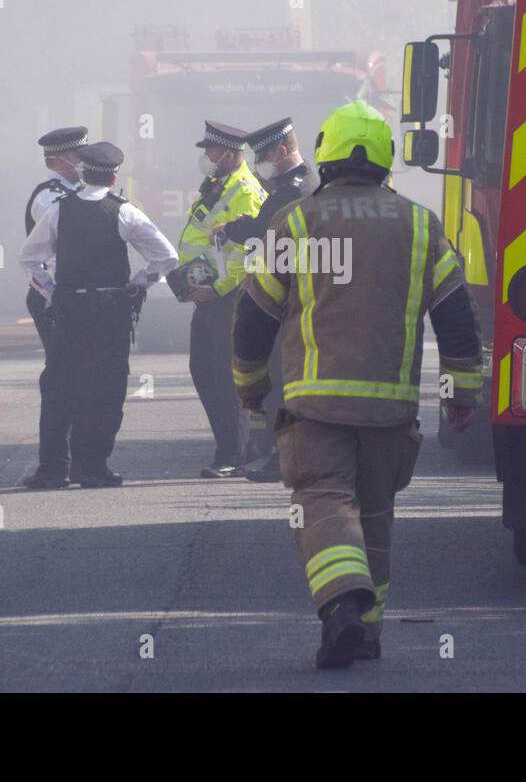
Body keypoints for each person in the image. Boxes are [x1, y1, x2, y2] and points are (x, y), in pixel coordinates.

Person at [231, 101, 482, 669]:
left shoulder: (295, 222)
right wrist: (462, 395)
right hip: (390, 414)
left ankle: (342, 605)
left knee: (323, 504)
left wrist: (249, 384)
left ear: (327, 155)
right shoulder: (420, 225)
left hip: (316, 409)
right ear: (385, 158)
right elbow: (457, 316)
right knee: (373, 519)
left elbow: (254, 318)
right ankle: (366, 635)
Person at [18, 141, 177, 489]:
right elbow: (166, 257)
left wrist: (51, 292)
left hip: (70, 311)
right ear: (114, 176)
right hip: (111, 312)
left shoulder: (59, 210)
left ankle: (53, 469)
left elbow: (29, 259)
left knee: (60, 387)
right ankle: (92, 467)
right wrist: (137, 286)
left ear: (82, 172)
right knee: (106, 388)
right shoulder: (124, 211)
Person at [214, 117, 317, 483]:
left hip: (287, 302)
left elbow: (264, 229)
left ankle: (285, 456)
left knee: (279, 380)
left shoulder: (293, 189)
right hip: (299, 296)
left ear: (284, 151)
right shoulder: (304, 183)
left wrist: (231, 229)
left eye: (265, 156)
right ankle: (286, 453)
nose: (260, 164)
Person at [176, 120, 264, 478]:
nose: (205, 156)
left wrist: (219, 289)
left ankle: (233, 455)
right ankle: (233, 447)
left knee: (226, 376)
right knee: (203, 370)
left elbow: (249, 254)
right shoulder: (217, 184)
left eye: (210, 151)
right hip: (207, 295)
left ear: (229, 154)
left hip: (231, 298)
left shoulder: (245, 190)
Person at [23, 127, 85, 347]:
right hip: (55, 292)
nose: (84, 162)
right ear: (59, 160)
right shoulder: (51, 197)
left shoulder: (71, 191)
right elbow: (57, 253)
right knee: (64, 367)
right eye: (79, 156)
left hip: (66, 293)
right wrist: (55, 295)